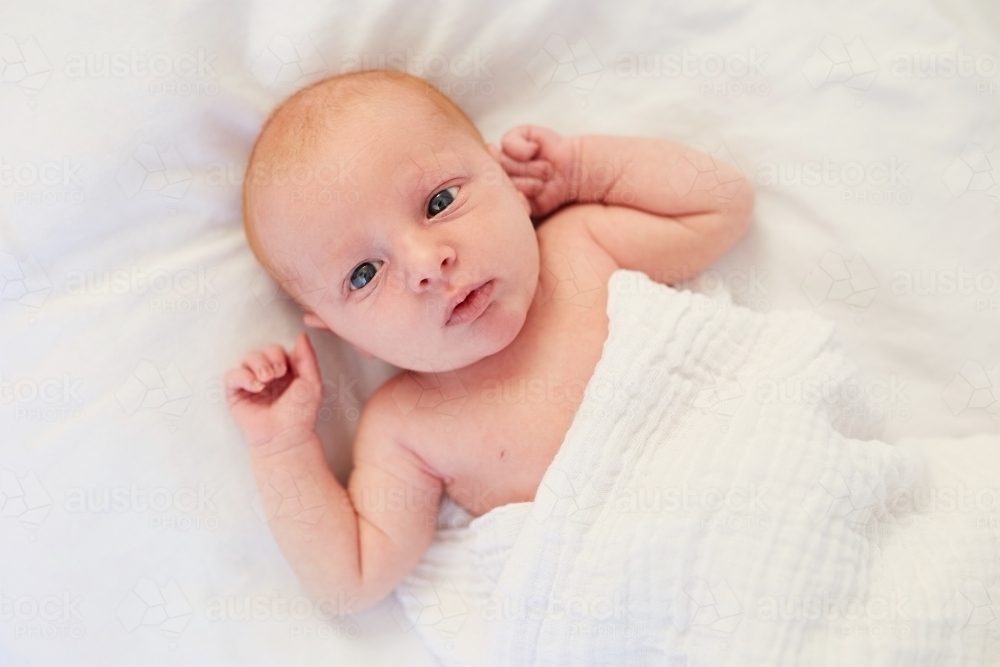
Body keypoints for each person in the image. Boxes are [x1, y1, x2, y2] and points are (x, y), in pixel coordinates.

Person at [225, 69, 754, 614]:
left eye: (439, 202)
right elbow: (352, 580)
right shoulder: (408, 425)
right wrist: (281, 449)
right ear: (343, 334)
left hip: (748, 493)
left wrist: (583, 171)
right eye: (364, 274)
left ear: (504, 177)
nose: (427, 264)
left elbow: (721, 204)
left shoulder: (580, 251)